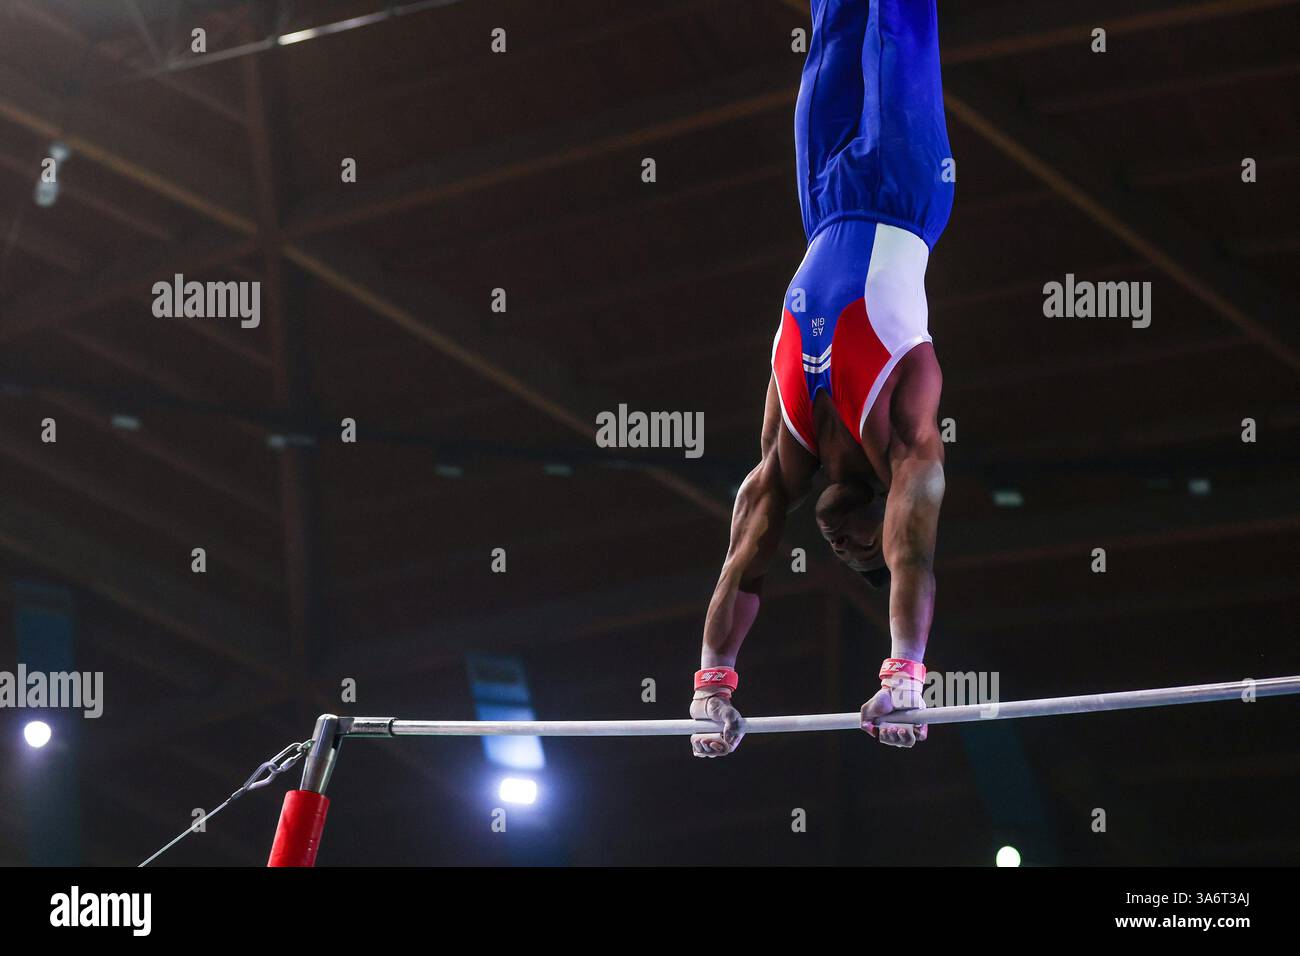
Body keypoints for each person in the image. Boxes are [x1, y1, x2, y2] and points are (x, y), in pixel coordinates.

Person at [690, 0, 954, 755]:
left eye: (841, 555)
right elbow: (916, 556)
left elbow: (744, 560)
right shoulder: (909, 447)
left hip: (822, 206)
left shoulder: (788, 454)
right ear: (886, 524)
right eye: (863, 550)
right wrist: (905, 675)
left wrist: (712, 686)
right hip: (906, 194)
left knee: (835, 26)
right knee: (896, 27)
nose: (844, 546)